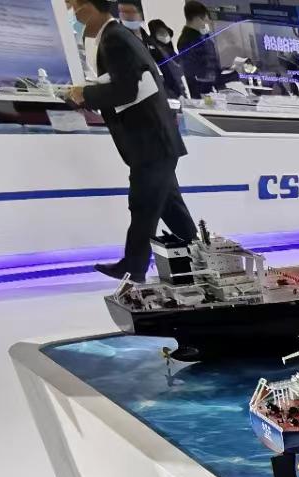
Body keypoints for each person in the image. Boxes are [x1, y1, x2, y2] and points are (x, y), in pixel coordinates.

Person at [65, 0, 196, 282]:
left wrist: (86, 94)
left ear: (95, 6)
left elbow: (126, 90)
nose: (73, 12)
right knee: (169, 205)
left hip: (151, 140)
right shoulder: (115, 37)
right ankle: (198, 256)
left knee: (143, 205)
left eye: (76, 6)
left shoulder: (115, 38)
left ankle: (134, 267)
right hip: (154, 140)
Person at [176, 1, 222, 98]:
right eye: (206, 19)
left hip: (206, 89)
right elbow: (197, 71)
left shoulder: (197, 38)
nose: (208, 23)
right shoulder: (191, 41)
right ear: (198, 19)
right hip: (203, 92)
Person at [146, 18, 187, 98]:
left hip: (179, 88)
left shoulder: (168, 49)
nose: (165, 35)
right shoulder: (155, 51)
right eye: (160, 33)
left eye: (165, 32)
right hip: (169, 91)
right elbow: (167, 74)